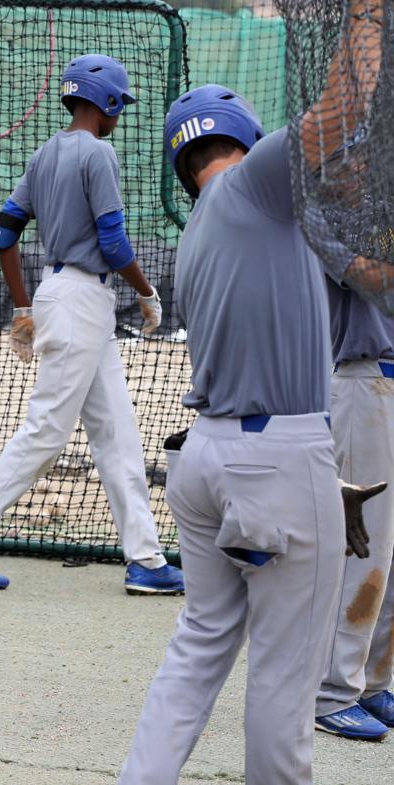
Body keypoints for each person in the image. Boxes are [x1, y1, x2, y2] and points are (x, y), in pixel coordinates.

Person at [119, 6, 386, 780]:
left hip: (208, 461)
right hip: (277, 458)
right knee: (283, 675)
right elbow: (346, 106)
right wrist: (367, 12)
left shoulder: (201, 228)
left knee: (200, 646)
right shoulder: (260, 187)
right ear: (243, 132)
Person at [0, 54, 183, 595]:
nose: (121, 113)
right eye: (119, 104)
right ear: (106, 101)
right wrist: (146, 291)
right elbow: (113, 243)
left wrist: (23, 305)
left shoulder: (45, 153)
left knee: (117, 434)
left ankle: (146, 559)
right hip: (81, 302)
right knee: (46, 433)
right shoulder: (99, 153)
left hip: (59, 295)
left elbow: (4, 233)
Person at [312, 277, 394, 741]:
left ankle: (371, 682)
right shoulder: (352, 209)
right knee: (367, 544)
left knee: (392, 549)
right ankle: (331, 690)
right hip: (368, 381)